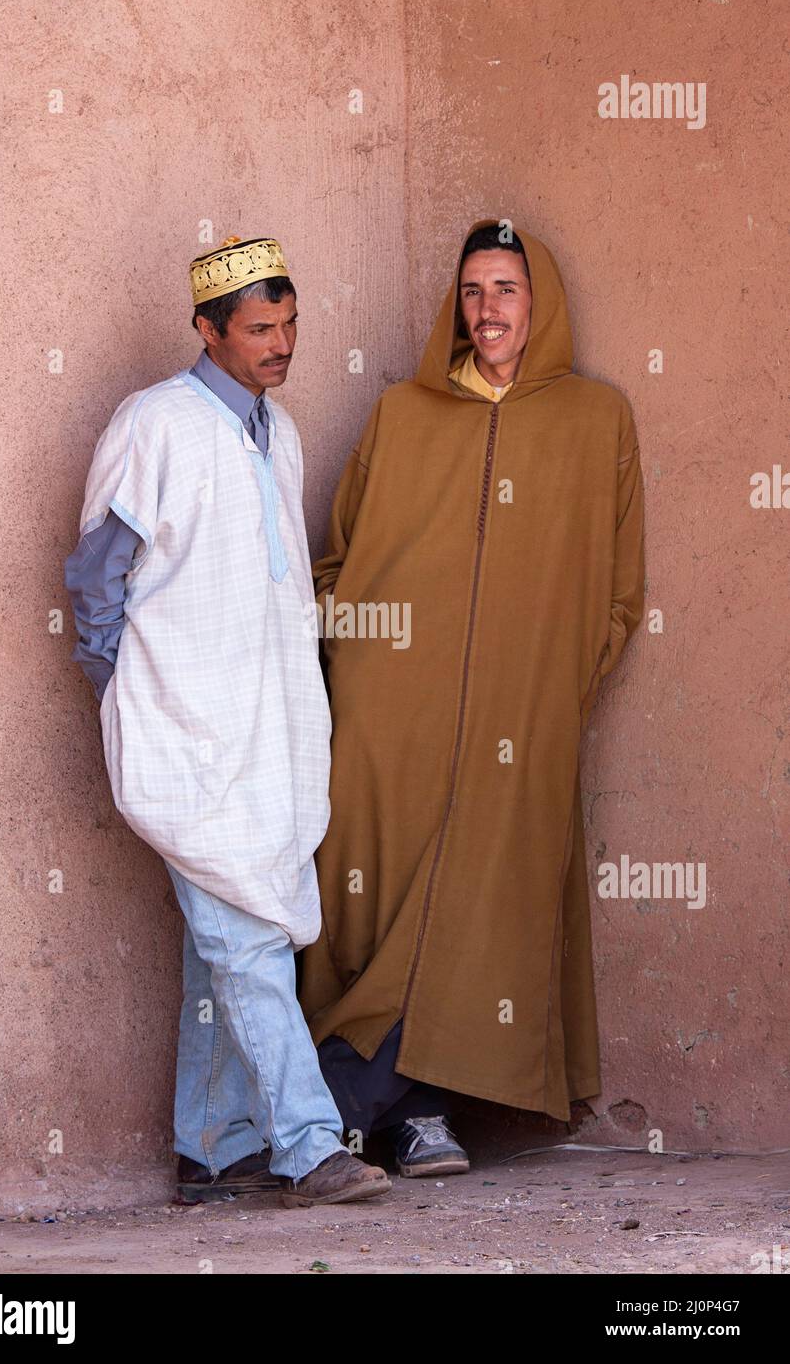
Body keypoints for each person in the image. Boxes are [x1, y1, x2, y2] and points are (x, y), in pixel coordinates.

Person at [300, 218, 645, 1177]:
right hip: (388, 722)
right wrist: (359, 666)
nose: (487, 309)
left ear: (541, 303)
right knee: (371, 905)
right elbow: (336, 557)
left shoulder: (596, 421)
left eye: (506, 289)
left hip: (519, 722)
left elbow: (620, 594)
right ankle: (400, 1118)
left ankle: (357, 1111)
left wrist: (554, 686)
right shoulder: (403, 414)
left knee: (483, 903)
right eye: (472, 290)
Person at [64, 235, 390, 1208]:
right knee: (244, 938)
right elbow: (96, 578)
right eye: (258, 329)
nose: (280, 345)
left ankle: (210, 1144)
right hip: (183, 727)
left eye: (289, 325)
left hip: (263, 730)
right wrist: (129, 694)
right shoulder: (154, 422)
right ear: (207, 330)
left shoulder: (278, 432)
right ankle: (309, 1144)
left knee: (230, 937)